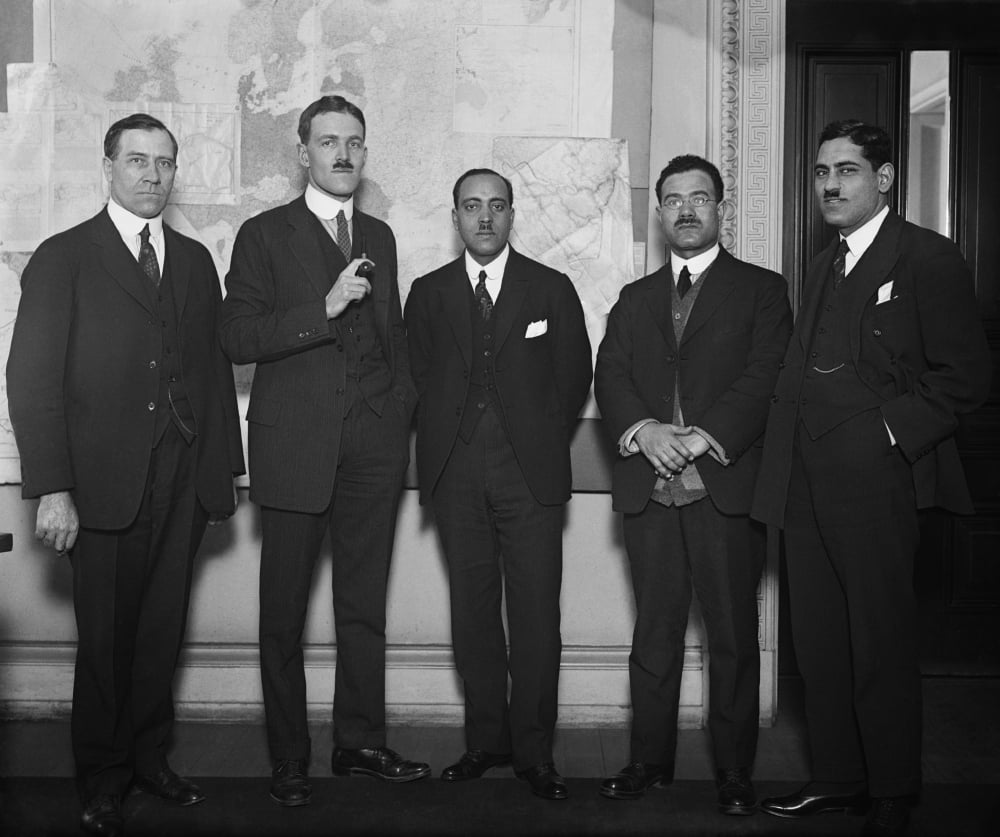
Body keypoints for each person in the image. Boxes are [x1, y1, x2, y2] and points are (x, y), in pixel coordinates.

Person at [6, 113, 245, 836]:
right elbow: (32, 376)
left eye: (164, 162)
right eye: (137, 160)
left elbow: (209, 372)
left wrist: (221, 474)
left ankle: (150, 758)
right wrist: (54, 484)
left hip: (180, 478)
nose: (152, 174)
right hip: (97, 483)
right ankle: (103, 776)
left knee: (160, 628)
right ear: (107, 166)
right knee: (106, 638)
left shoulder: (197, 262)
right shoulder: (63, 256)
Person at [753, 120, 991, 836]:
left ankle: (892, 786)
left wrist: (888, 432)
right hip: (804, 481)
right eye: (823, 170)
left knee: (878, 640)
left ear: (884, 179)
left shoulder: (926, 255)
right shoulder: (825, 261)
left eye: (848, 170)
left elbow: (967, 376)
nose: (830, 183)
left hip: (878, 484)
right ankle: (838, 778)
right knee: (819, 640)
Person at [218, 95, 427, 808]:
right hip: (295, 446)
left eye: (355, 142)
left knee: (363, 605)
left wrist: (399, 410)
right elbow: (237, 337)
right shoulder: (264, 234)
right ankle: (288, 757)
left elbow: (393, 335)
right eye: (329, 141)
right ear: (302, 152)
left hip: (374, 444)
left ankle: (359, 741)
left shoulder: (382, 234)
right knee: (283, 613)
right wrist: (325, 308)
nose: (344, 153)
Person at [593, 155, 792, 815]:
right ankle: (650, 761)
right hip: (649, 493)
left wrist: (704, 435)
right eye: (673, 199)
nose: (685, 210)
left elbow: (767, 375)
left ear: (719, 207)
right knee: (653, 634)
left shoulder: (762, 291)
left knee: (733, 637)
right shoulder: (634, 299)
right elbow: (610, 373)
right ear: (659, 211)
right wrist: (645, 429)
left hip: (724, 490)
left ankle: (734, 772)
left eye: (699, 198)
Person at [404, 168, 592, 800]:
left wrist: (534, 441)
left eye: (496, 206)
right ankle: (487, 741)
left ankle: (535, 752)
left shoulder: (551, 288)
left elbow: (573, 380)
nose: (484, 218)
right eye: (471, 206)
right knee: (473, 615)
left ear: (513, 214)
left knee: (536, 617)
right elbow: (420, 379)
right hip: (456, 478)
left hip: (530, 479)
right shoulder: (427, 293)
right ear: (454, 215)